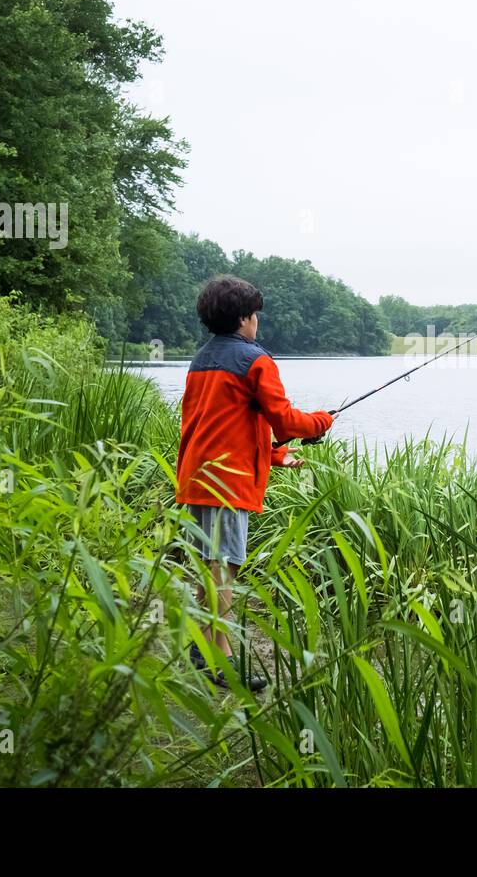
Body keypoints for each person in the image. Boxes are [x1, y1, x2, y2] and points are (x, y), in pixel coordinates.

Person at [175, 275, 334, 690]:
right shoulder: (255, 360)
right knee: (225, 564)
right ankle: (220, 659)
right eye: (255, 314)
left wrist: (276, 455)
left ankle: (200, 644)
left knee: (208, 562)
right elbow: (283, 418)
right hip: (227, 484)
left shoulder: (199, 362)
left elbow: (220, 424)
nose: (257, 322)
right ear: (245, 319)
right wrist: (321, 421)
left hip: (199, 476)